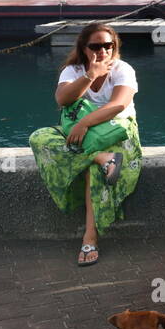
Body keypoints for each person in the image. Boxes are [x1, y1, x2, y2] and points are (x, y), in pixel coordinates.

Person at [29, 23, 143, 267]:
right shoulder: (73, 70)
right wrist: (91, 74)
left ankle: (89, 237)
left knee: (93, 173)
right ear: (84, 47)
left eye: (108, 46)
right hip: (87, 137)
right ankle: (100, 157)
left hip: (117, 134)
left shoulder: (123, 69)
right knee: (39, 138)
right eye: (95, 46)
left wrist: (85, 124)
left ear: (115, 47)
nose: (103, 51)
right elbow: (62, 99)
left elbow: (119, 105)